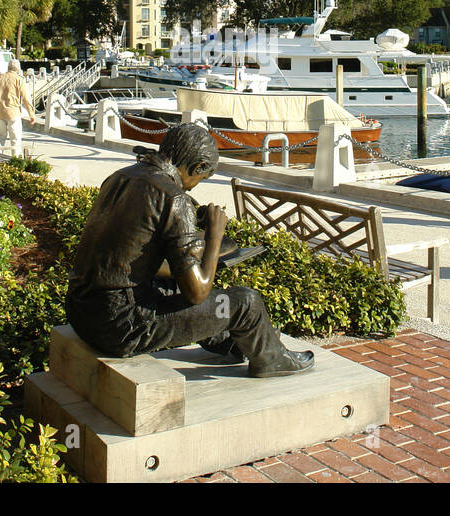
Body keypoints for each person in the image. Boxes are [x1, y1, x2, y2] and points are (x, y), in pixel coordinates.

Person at [65, 123, 314, 378]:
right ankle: (271, 360)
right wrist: (215, 233)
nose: (192, 188)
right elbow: (197, 293)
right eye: (199, 179)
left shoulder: (120, 176)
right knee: (245, 303)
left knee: (173, 285)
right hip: (122, 327)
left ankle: (230, 341)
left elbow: (126, 260)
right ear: (196, 167)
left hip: (82, 312)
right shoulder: (175, 198)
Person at [0, 59, 35, 158]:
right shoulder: (19, 79)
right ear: (18, 68)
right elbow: (26, 98)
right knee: (15, 139)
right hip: (13, 113)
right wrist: (31, 114)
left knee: (0, 137)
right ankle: (15, 161)